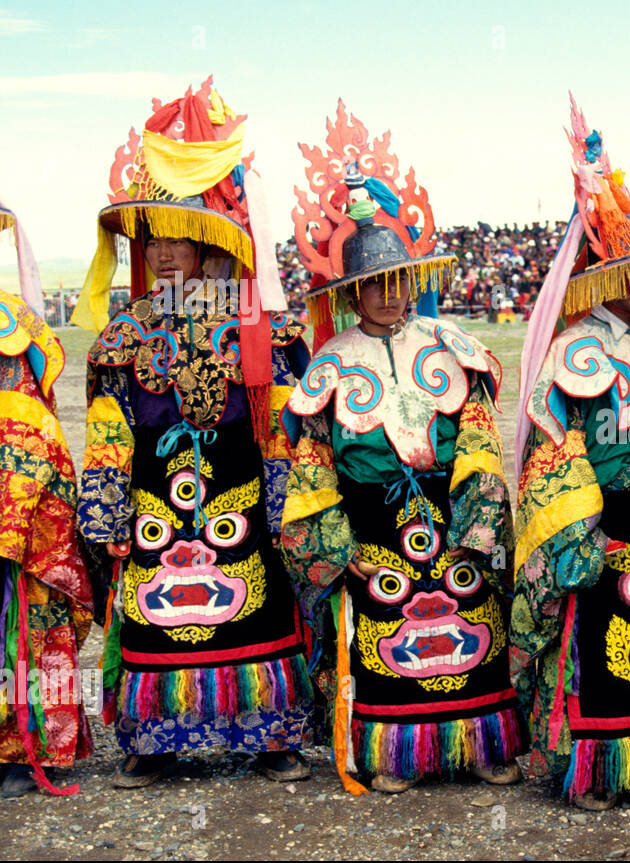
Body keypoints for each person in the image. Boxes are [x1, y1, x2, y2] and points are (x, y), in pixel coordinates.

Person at [73, 81, 313, 787]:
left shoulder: (262, 325)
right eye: (153, 237)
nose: (164, 251)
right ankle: (154, 740)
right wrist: (105, 506)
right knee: (154, 616)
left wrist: (283, 503)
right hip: (157, 510)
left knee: (258, 611)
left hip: (241, 499)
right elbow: (111, 430)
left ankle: (272, 736)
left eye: (179, 235)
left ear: (212, 239)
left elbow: (283, 427)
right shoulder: (124, 333)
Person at [279, 104, 523, 794]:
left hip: (450, 513)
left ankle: (483, 742)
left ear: (414, 278)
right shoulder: (330, 363)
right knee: (388, 634)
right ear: (352, 292)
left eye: (398, 280)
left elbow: (476, 429)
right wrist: (334, 538)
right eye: (373, 286)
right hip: (373, 524)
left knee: (471, 619)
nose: (389, 296)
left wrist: (479, 515)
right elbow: (313, 462)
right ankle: (395, 752)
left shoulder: (452, 346)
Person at [512, 100, 630, 810]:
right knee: (605, 640)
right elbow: (559, 449)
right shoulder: (577, 348)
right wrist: (578, 529)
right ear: (617, 277)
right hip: (605, 520)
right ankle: (597, 767)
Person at [0, 198, 94, 798]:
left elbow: (33, 429)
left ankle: (30, 747)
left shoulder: (13, 324)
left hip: (18, 508)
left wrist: (11, 523)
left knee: (28, 630)